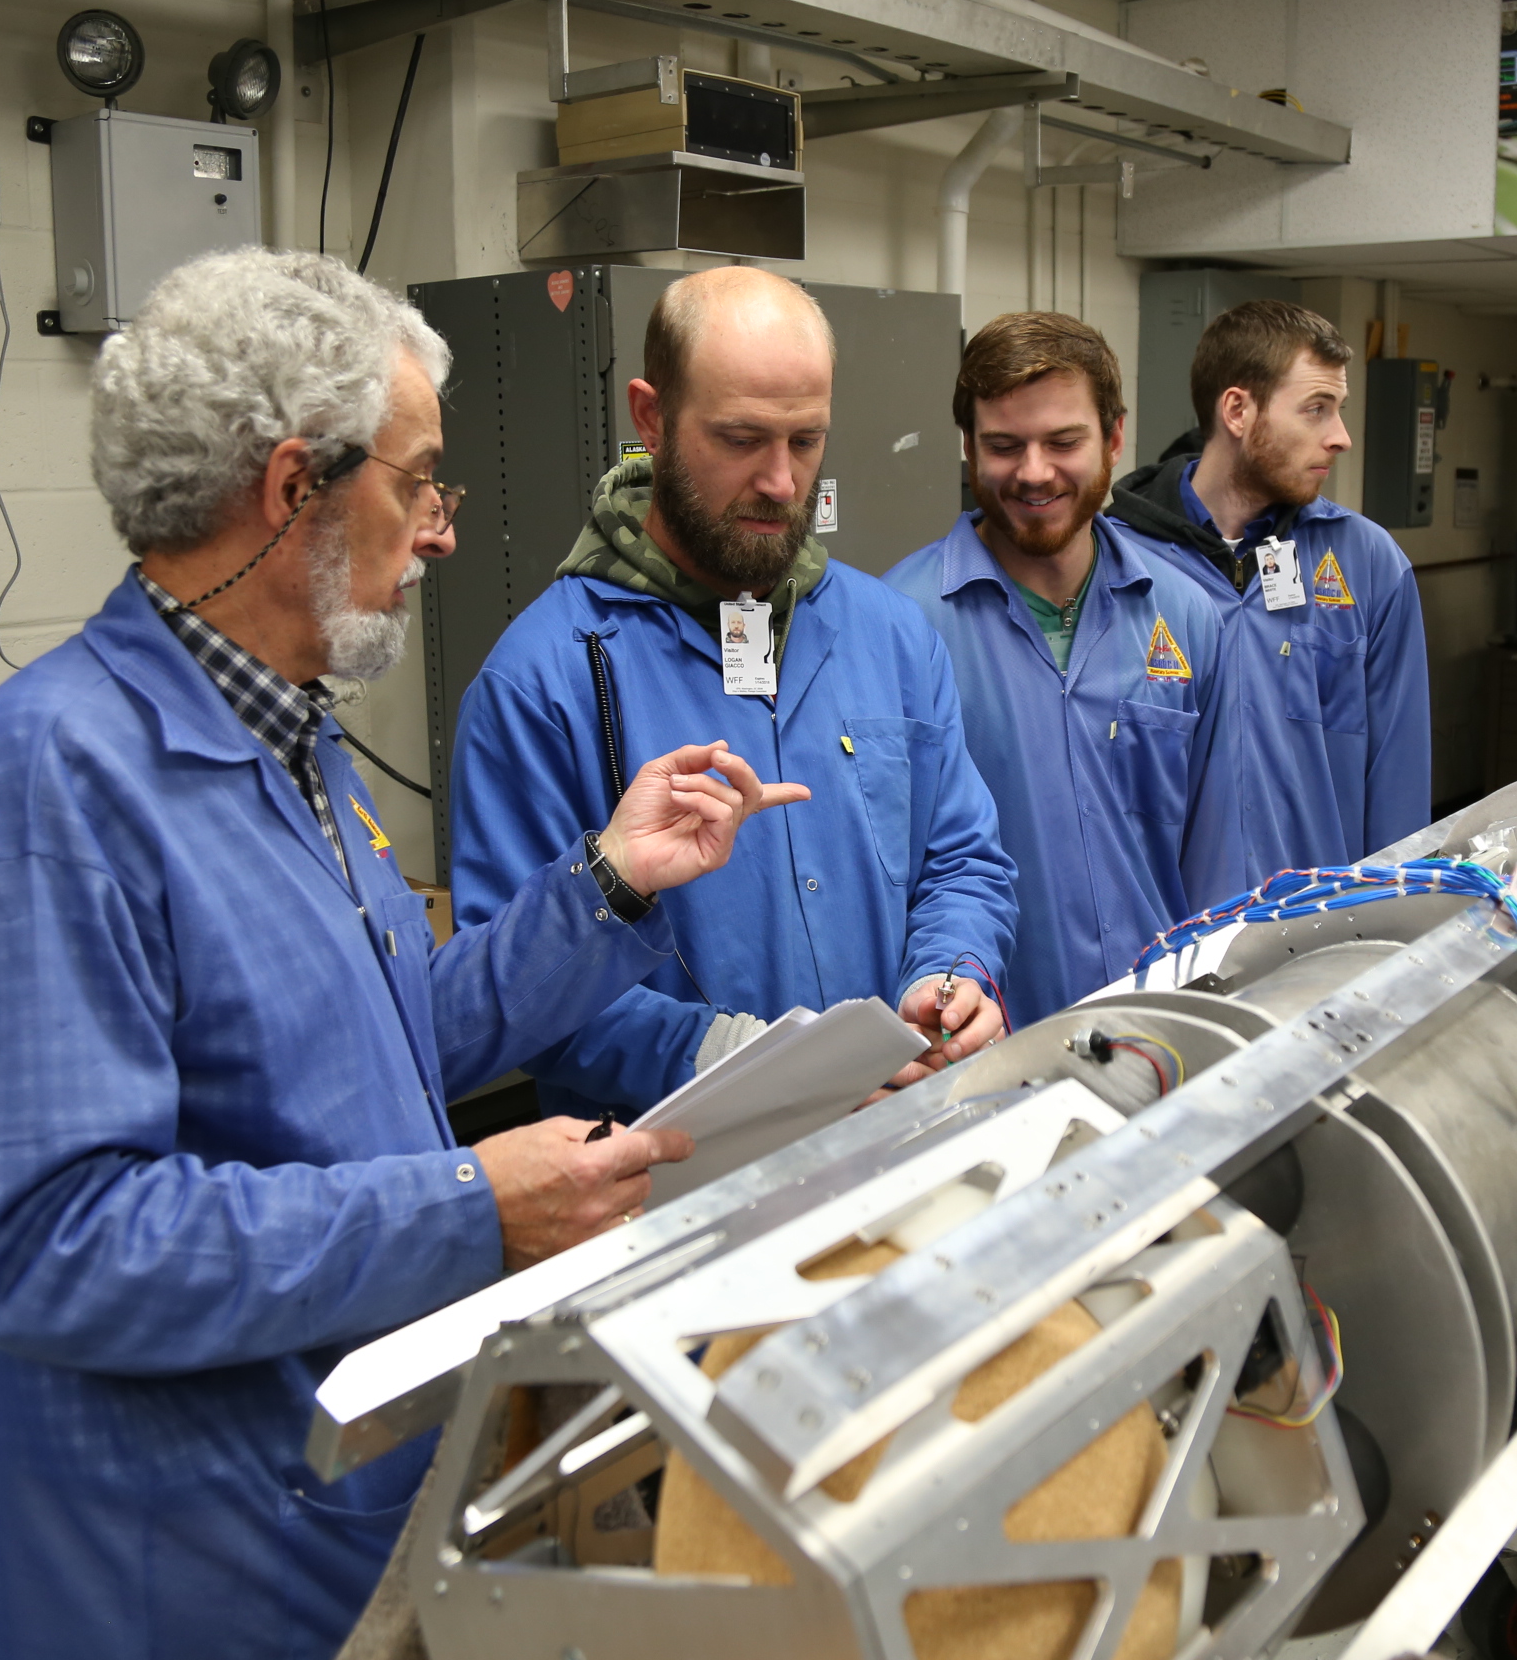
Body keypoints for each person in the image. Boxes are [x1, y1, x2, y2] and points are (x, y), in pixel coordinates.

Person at [0, 250, 807, 1660]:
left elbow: (385, 1046)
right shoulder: (40, 785)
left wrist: (611, 884)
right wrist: (467, 1205)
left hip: (330, 1515)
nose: (441, 534)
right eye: (421, 480)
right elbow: (52, 1247)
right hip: (171, 1577)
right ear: (292, 488)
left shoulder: (298, 742)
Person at [450, 266, 1017, 1117]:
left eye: (805, 440)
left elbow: (960, 858)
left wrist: (952, 974)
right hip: (675, 1188)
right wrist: (746, 1063)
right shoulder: (545, 680)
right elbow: (510, 991)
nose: (783, 483)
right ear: (651, 417)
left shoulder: (890, 635)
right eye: (742, 439)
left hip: (895, 1142)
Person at [883, 312, 1229, 1023]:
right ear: (971, 448)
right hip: (976, 1040)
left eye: (1063, 442)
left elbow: (1219, 861)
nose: (1034, 472)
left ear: (1114, 437)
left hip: (1156, 1032)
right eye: (1004, 446)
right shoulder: (899, 625)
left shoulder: (1188, 617)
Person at [1110, 300, 1430, 884]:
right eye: (1316, 410)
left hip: (1319, 937)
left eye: (1339, 410)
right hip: (1167, 941)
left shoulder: (1368, 564)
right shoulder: (1116, 564)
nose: (1341, 438)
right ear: (1238, 410)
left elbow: (1398, 788)